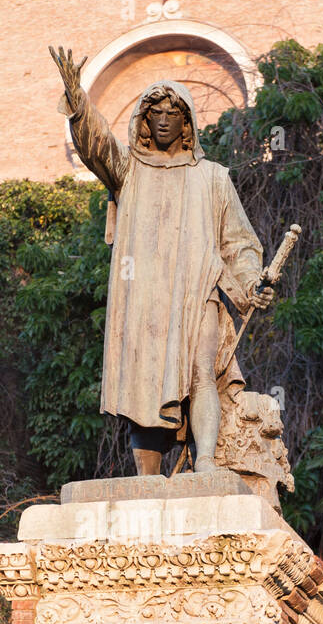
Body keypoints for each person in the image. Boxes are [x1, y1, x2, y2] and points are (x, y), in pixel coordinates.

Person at [50, 45, 274, 475]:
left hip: (199, 291)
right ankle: (146, 482)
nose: (165, 119)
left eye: (174, 113)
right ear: (144, 121)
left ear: (187, 121)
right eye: (156, 113)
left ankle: (206, 461)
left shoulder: (212, 177)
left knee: (201, 371)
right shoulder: (129, 171)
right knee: (143, 387)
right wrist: (78, 101)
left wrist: (250, 285)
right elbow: (96, 146)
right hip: (145, 299)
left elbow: (239, 244)